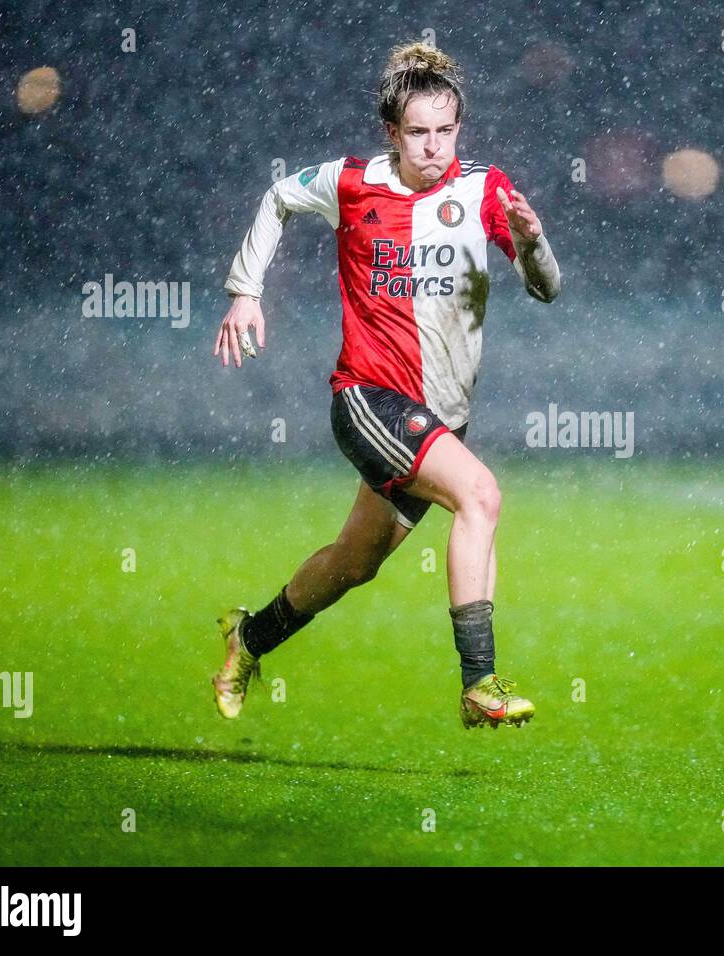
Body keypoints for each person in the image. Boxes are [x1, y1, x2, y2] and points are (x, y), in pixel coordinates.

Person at [209, 40, 561, 729]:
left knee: (354, 562)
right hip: (368, 400)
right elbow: (278, 196)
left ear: (459, 127)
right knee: (481, 494)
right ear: (392, 133)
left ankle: (246, 640)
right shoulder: (352, 182)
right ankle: (479, 683)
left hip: (440, 418)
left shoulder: (485, 190)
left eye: (445, 131)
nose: (433, 147)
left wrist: (532, 241)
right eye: (418, 133)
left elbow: (546, 289)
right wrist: (244, 291)